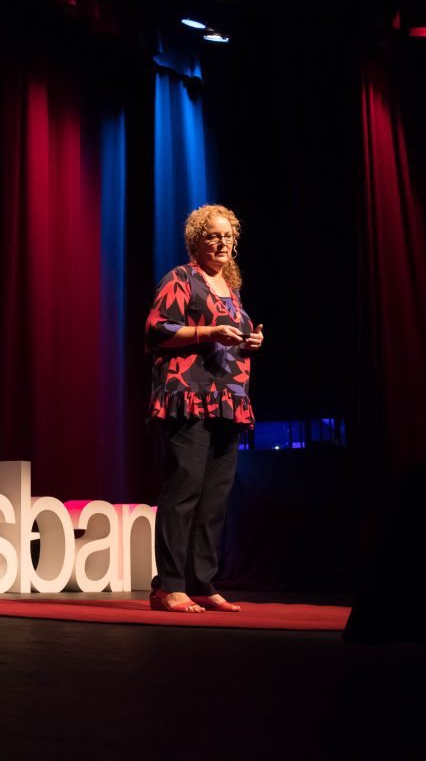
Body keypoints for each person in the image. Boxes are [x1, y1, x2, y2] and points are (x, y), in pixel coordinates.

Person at [143, 204, 264, 613]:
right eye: (213, 235)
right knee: (185, 490)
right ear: (196, 240)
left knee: (214, 497)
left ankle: (200, 582)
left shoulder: (232, 288)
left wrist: (250, 341)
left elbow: (231, 338)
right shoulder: (181, 278)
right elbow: (158, 328)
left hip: (228, 400)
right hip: (189, 395)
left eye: (228, 235)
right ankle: (168, 585)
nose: (222, 242)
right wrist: (210, 331)